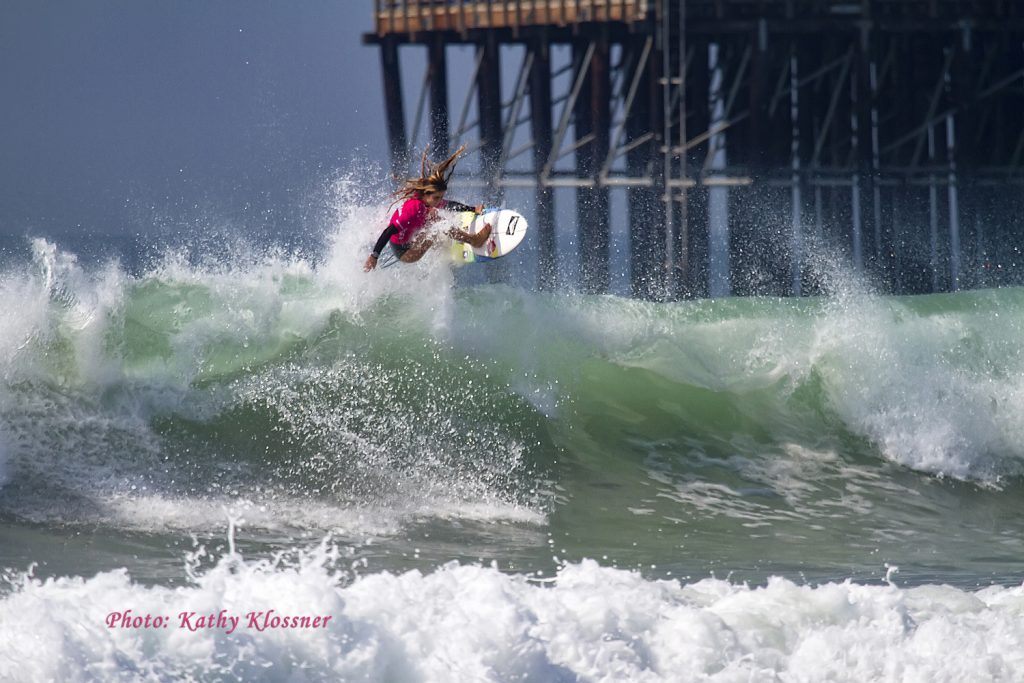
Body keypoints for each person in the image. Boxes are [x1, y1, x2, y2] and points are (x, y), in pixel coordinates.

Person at [364, 146, 492, 271]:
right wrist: (374, 256)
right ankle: (474, 240)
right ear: (426, 194)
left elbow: (448, 205)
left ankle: (452, 239)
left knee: (435, 217)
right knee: (438, 226)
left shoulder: (427, 202)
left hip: (410, 237)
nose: (439, 201)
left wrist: (472, 209)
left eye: (440, 197)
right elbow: (388, 231)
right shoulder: (413, 210)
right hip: (406, 253)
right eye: (436, 197)